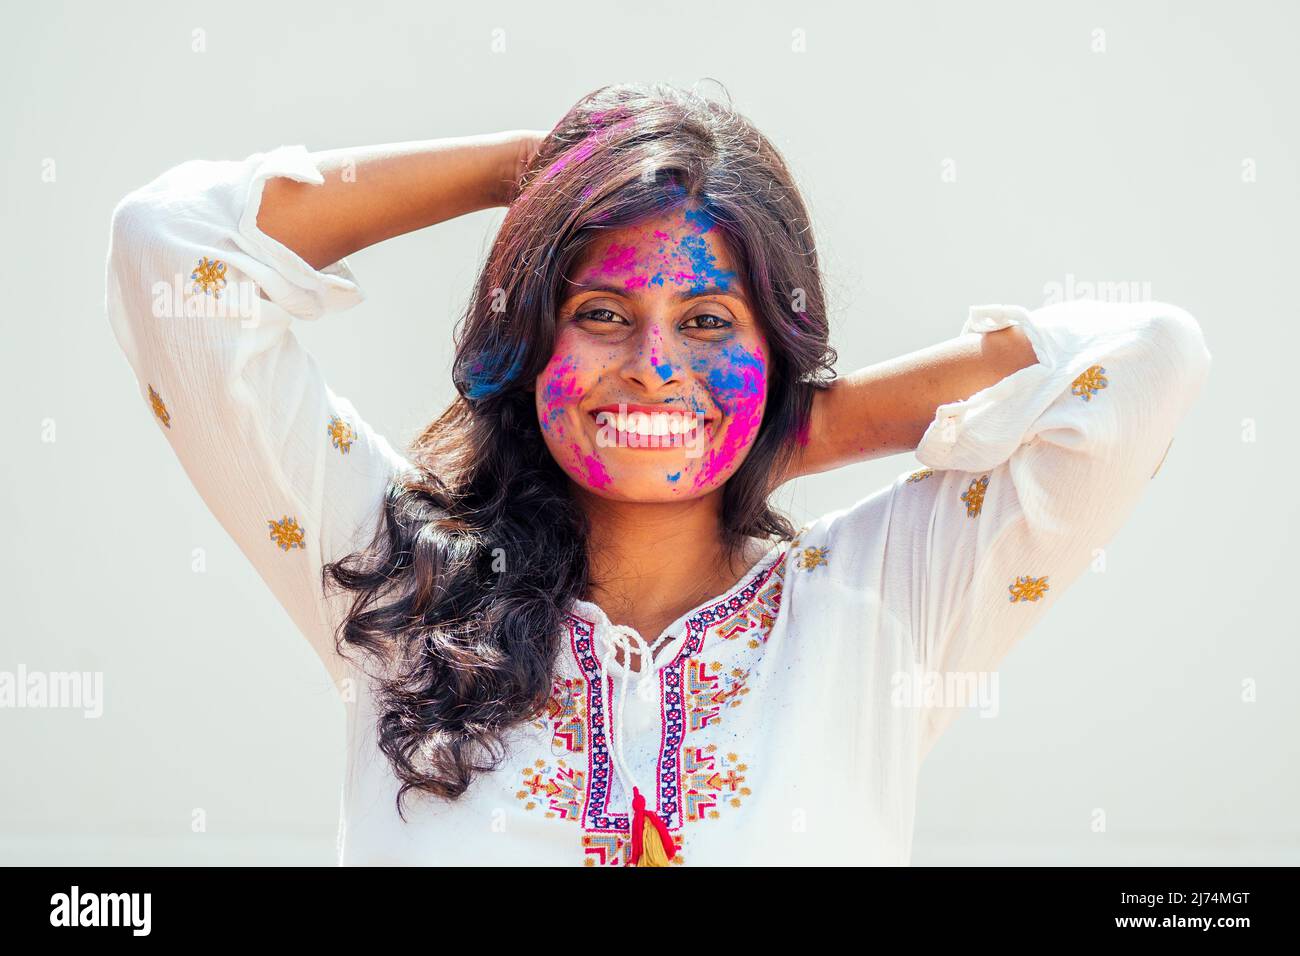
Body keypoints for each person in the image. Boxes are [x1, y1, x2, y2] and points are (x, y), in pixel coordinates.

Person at [104, 82, 1211, 866]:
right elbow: (167, 253)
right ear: (527, 340)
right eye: (599, 314)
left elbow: (1144, 362)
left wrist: (786, 429)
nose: (652, 365)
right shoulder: (399, 584)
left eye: (706, 320)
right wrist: (530, 171)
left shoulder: (879, 603)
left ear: (777, 349)